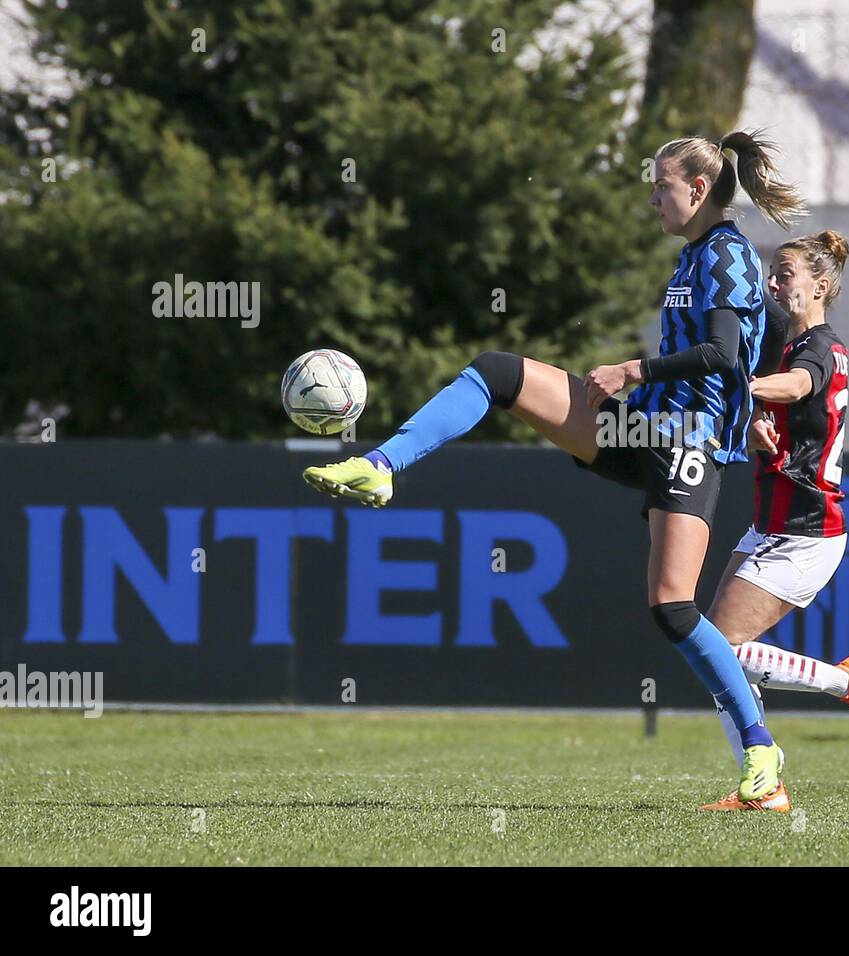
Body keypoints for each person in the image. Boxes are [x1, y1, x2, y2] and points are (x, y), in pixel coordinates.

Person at [302, 131, 807, 804]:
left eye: (661, 185)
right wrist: (757, 402)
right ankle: (383, 465)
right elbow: (767, 335)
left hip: (688, 445)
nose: (652, 197)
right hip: (643, 429)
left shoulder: (726, 256)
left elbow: (721, 354)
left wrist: (642, 370)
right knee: (497, 373)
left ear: (695, 189)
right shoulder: (700, 254)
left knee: (672, 608)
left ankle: (761, 755)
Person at [698, 230, 849, 813]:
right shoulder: (791, 343)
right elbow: (790, 407)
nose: (774, 283)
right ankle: (763, 785)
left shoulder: (817, 347)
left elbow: (801, 385)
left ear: (821, 285)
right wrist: (758, 424)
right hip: (774, 522)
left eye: (786, 273)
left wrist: (745, 390)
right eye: (773, 273)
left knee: (719, 649)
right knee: (716, 651)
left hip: (805, 529)